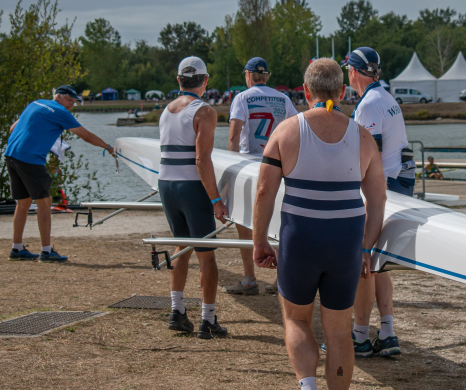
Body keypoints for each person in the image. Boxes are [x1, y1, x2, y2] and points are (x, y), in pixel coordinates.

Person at [252, 58, 386, 390]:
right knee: (339, 331)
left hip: (301, 238)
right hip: (346, 241)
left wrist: (260, 242)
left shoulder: (286, 131)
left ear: (305, 90)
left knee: (297, 320)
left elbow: (265, 191)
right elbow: (378, 200)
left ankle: (308, 386)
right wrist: (366, 248)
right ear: (342, 91)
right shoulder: (363, 137)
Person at [346, 47, 414, 358]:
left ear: (353, 72)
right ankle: (387, 332)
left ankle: (360, 337)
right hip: (398, 183)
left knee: (363, 262)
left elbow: (370, 155)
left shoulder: (369, 104)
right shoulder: (386, 98)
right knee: (378, 264)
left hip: (380, 188)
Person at [159, 56, 229, 340]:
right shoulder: (205, 111)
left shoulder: (166, 111)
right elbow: (202, 160)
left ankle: (177, 311)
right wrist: (216, 200)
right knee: (206, 253)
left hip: (166, 185)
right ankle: (207, 320)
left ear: (179, 80)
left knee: (182, 247)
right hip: (191, 188)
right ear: (206, 80)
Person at [5, 85, 115, 263]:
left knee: (23, 202)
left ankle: (16, 249)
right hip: (30, 159)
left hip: (11, 155)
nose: (71, 104)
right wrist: (108, 147)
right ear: (59, 97)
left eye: (74, 102)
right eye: (69, 100)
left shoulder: (35, 103)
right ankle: (46, 252)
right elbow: (86, 136)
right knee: (45, 202)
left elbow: (12, 129)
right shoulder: (61, 112)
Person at [224, 57, 298, 296]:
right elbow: (296, 131)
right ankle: (280, 279)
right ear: (267, 76)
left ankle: (249, 278)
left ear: (248, 75)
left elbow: (234, 137)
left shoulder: (241, 98)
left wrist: (228, 172)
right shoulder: (283, 98)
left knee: (244, 221)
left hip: (248, 167)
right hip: (277, 166)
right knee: (279, 221)